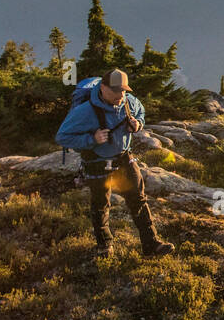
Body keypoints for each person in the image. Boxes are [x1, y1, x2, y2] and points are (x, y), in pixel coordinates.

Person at [55, 68, 174, 257]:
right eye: (117, 90)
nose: (121, 95)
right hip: (97, 161)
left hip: (124, 158)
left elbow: (141, 112)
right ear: (103, 87)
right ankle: (105, 246)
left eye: (124, 90)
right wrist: (91, 139)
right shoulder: (85, 111)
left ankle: (151, 245)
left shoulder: (129, 103)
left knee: (138, 200)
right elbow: (62, 137)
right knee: (101, 203)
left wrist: (138, 124)